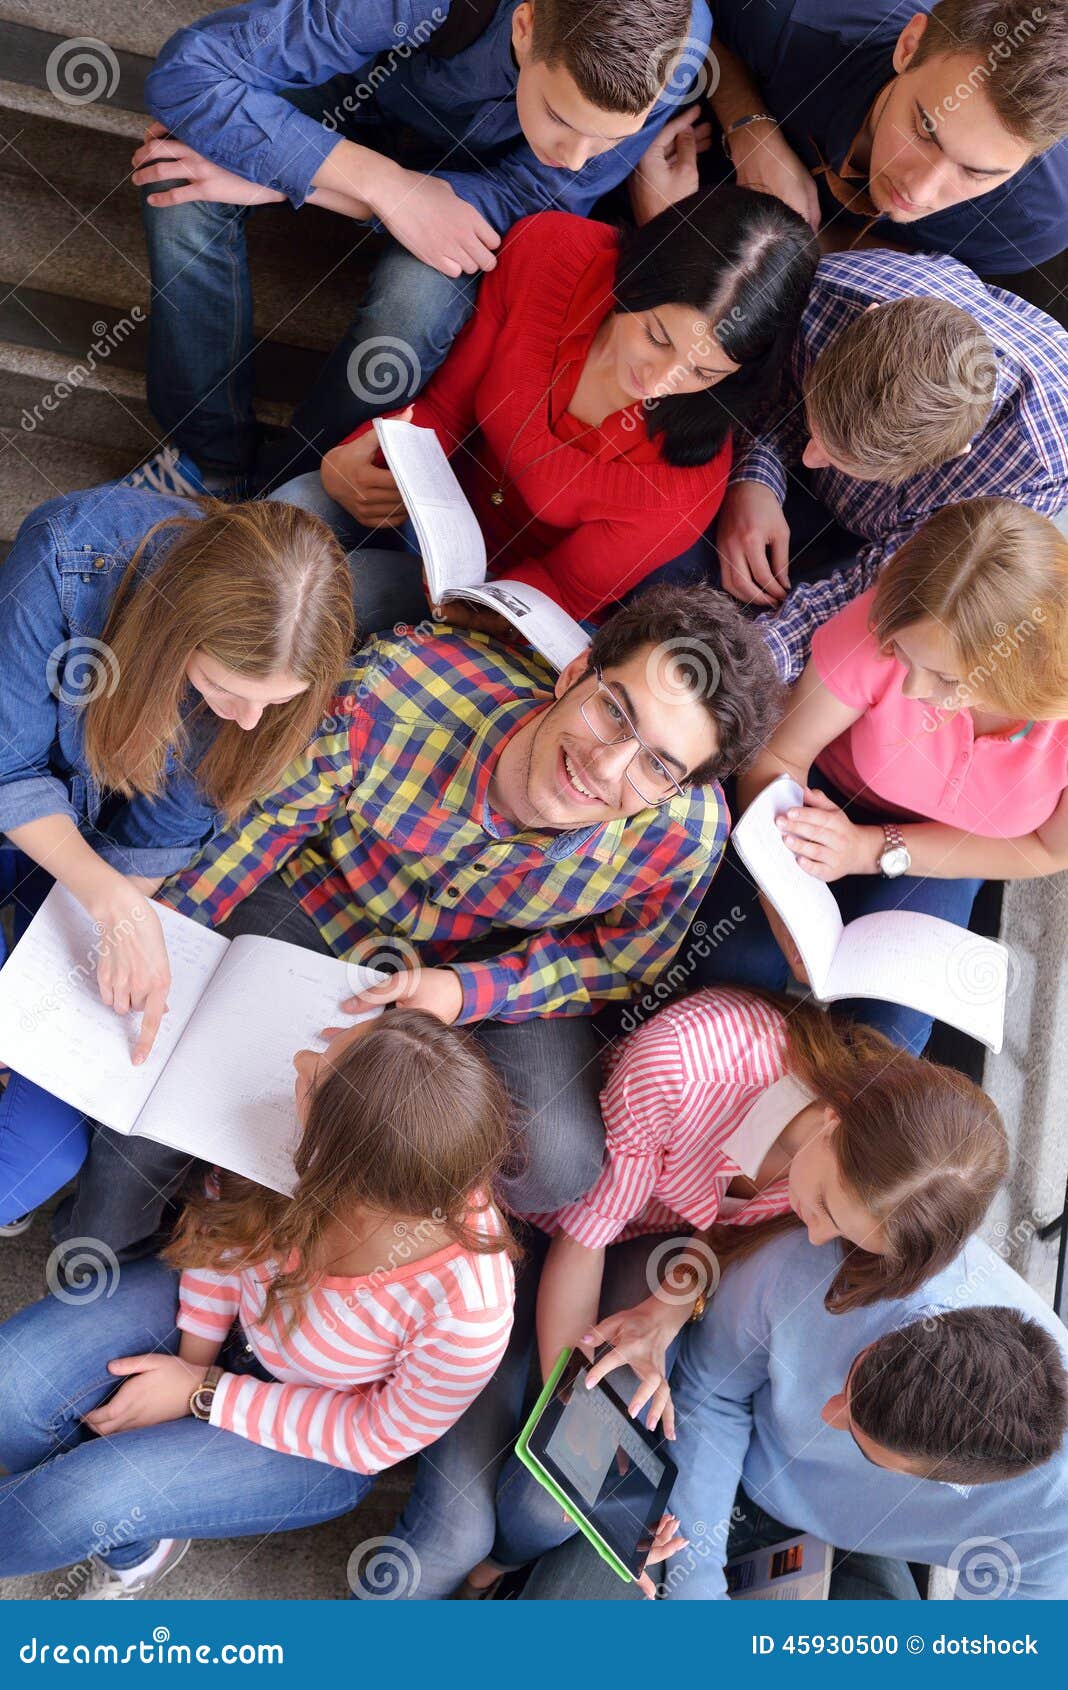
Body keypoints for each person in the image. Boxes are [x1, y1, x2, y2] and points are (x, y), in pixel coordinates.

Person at [57, 584, 781, 1261]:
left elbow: (624, 960)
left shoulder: (687, 831)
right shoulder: (392, 688)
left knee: (554, 1165)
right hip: (332, 898)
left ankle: (314, 1219)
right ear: (577, 672)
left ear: (680, 786)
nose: (605, 764)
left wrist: (469, 992)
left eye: (656, 766)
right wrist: (166, 942)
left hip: (494, 961)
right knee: (175, 1061)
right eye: (615, 711)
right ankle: (108, 1260)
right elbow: (261, 828)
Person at [400, 983, 1007, 1599]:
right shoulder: (687, 1066)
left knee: (545, 1503)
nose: (814, 1234)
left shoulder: (835, 1169)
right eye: (823, 1207)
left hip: (623, 1254)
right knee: (452, 1534)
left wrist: (665, 1312)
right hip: (510, 1231)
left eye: (838, 1228)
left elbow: (719, 1234)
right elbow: (586, 1234)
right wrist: (577, 1428)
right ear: (833, 1121)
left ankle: (494, 1576)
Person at [0, 1010, 516, 1600]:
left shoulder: (468, 1311)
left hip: (320, 1437)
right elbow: (221, 1238)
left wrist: (204, 1393)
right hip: (227, 1316)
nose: (299, 1064)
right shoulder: (302, 1131)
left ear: (347, 1164)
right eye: (325, 1051)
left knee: (79, 1501)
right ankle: (132, 1536)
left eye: (315, 1080)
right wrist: (193, 1365)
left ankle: (116, 1513)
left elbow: (375, 1437)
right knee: (11, 1390)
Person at [127, 0, 713, 495]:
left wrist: (290, 182)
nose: (578, 157)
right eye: (560, 116)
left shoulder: (675, 46)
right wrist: (376, 184)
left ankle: (292, 499)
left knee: (410, 314)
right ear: (525, 24)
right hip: (351, 102)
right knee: (175, 177)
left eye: (612, 137)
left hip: (477, 190)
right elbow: (191, 73)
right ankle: (211, 460)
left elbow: (535, 203)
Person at [0, 486, 354, 1232]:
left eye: (277, 704)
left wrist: (71, 984)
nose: (251, 721)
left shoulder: (262, 695)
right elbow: (7, 769)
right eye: (227, 691)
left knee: (44, 1156)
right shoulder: (67, 555)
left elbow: (165, 825)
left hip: (83, 870)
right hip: (23, 828)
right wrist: (116, 907)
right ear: (178, 630)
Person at [281, 188, 816, 627]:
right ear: (637, 278)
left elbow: (562, 593)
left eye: (703, 372)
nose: (659, 380)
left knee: (330, 601)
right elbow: (444, 411)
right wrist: (350, 462)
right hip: (422, 500)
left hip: (493, 599)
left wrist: (463, 609)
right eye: (656, 336)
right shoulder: (552, 253)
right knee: (294, 509)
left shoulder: (685, 481)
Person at [693, 497, 1068, 1053]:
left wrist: (872, 849)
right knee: (727, 979)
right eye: (903, 658)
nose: (913, 692)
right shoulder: (906, 615)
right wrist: (784, 907)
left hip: (950, 855)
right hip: (820, 798)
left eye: (944, 679)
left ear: (1023, 677)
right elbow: (779, 755)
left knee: (886, 1043)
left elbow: (1047, 847)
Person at [516, 1230, 1068, 1601]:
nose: (826, 1413)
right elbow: (713, 1393)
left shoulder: (1054, 1528)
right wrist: (698, 1588)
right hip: (696, 1461)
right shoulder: (846, 1257)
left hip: (837, 1545)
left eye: (856, 1437)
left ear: (949, 1482)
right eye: (850, 1379)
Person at [709, 246, 1068, 619]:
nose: (810, 457)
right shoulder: (823, 291)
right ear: (867, 317)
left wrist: (743, 659)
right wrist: (754, 477)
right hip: (775, 469)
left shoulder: (1035, 476)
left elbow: (897, 586)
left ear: (955, 453)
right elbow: (767, 391)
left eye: (838, 459)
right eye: (821, 429)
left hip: (888, 546)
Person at [705, 0, 1068, 275]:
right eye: (925, 129)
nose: (918, 192)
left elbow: (934, 273)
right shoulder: (786, 17)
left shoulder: (1032, 227)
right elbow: (690, 20)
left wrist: (811, 243)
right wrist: (749, 127)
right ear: (908, 46)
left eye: (977, 173)